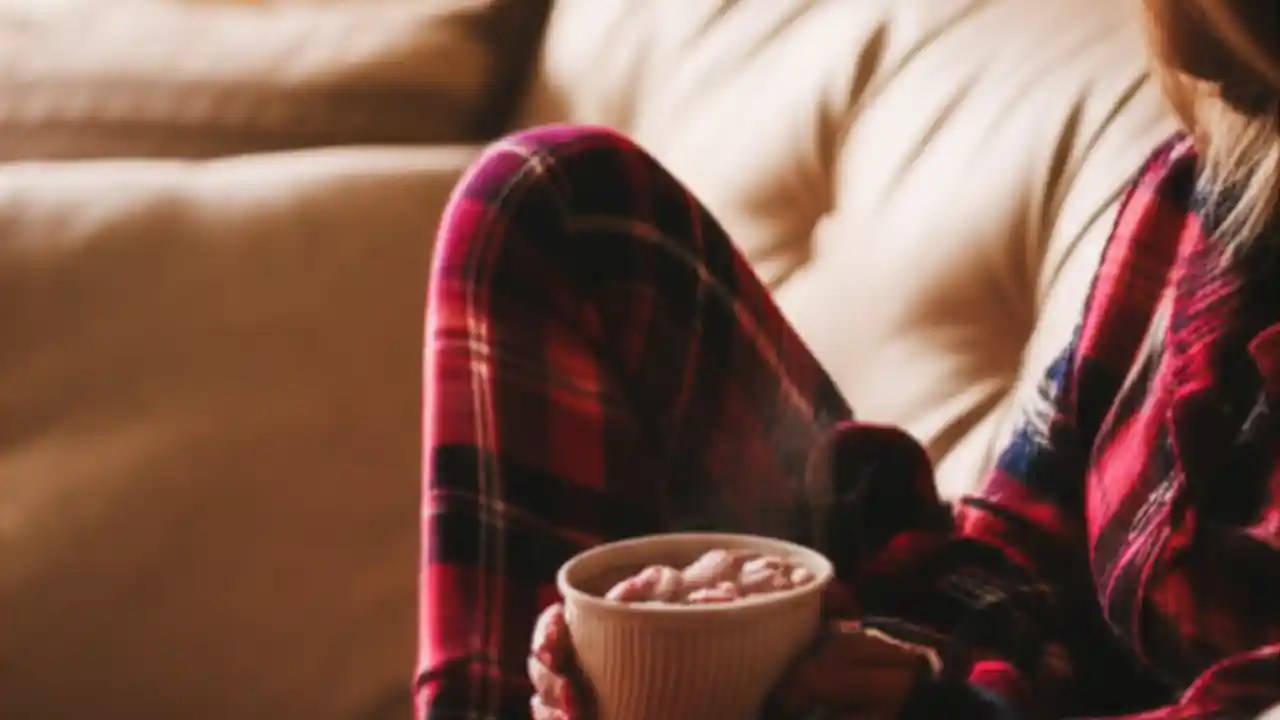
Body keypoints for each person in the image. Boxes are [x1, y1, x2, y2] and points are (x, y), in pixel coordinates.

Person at [417, 0, 1280, 717]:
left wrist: (944, 711)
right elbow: (1026, 556)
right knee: (561, 203)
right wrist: (825, 626)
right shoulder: (1200, 191)